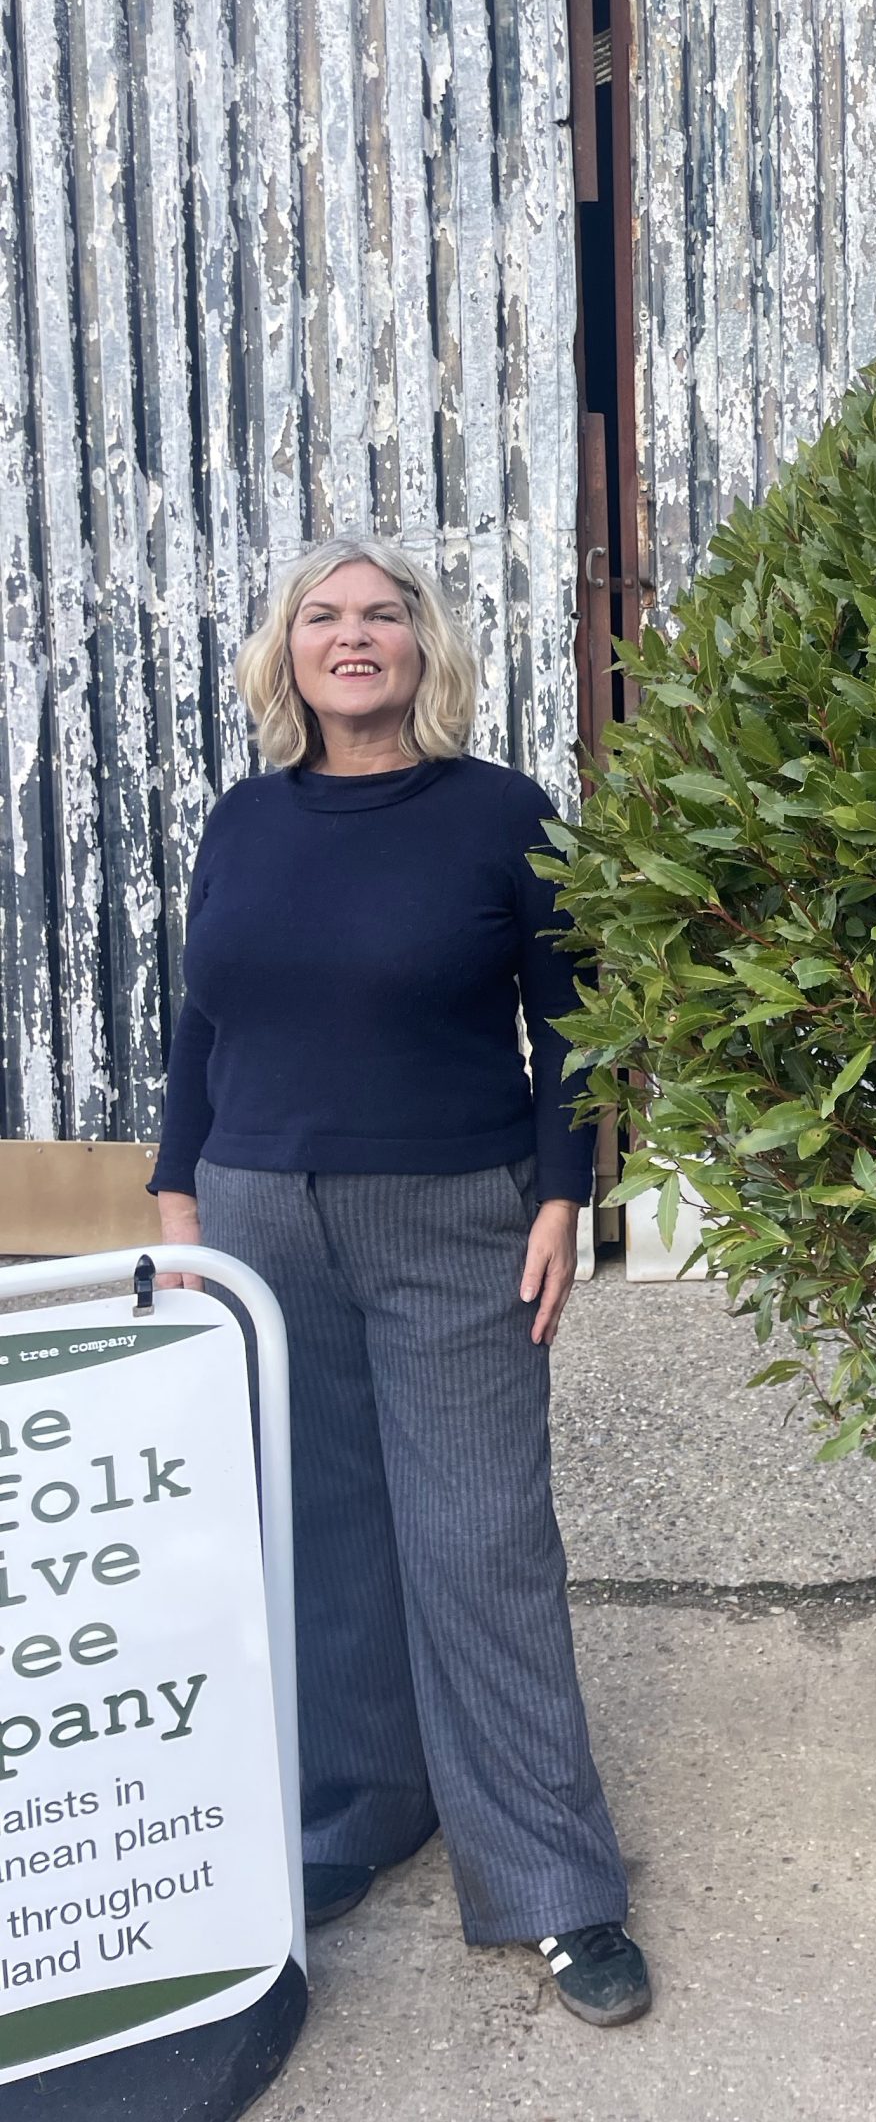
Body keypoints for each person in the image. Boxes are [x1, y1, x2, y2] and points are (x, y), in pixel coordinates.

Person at [148, 537, 649, 2028]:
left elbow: (572, 1023)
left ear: (426, 648)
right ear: (287, 653)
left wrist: (562, 1195)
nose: (352, 636)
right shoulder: (243, 820)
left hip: (452, 1216)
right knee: (320, 1529)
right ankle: (364, 1805)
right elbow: (200, 1025)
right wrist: (177, 1204)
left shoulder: (499, 813)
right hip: (256, 1215)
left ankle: (551, 1880)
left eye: (382, 615)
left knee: (482, 1536)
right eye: (324, 617)